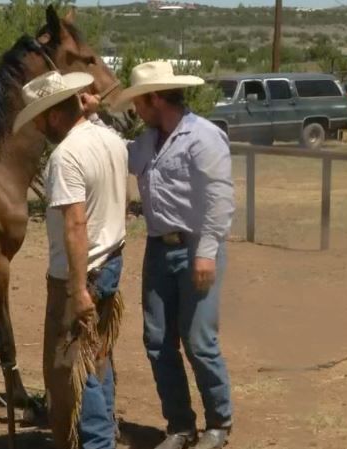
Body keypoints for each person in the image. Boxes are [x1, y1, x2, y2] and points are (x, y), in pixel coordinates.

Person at [82, 60, 235, 449]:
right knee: (157, 340)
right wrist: (93, 119)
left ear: (154, 99)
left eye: (138, 102)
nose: (135, 110)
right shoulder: (151, 140)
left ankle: (219, 422)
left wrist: (206, 253)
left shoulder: (204, 137)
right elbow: (122, 156)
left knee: (199, 340)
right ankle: (180, 425)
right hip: (158, 250)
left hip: (197, 247)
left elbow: (219, 200)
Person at [13, 70, 128, 449]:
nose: (40, 127)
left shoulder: (65, 156)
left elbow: (76, 225)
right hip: (110, 262)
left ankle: (95, 443)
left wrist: (77, 290)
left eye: (41, 118)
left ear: (54, 115)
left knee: (74, 369)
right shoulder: (110, 140)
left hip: (81, 275)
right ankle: (104, 436)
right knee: (98, 356)